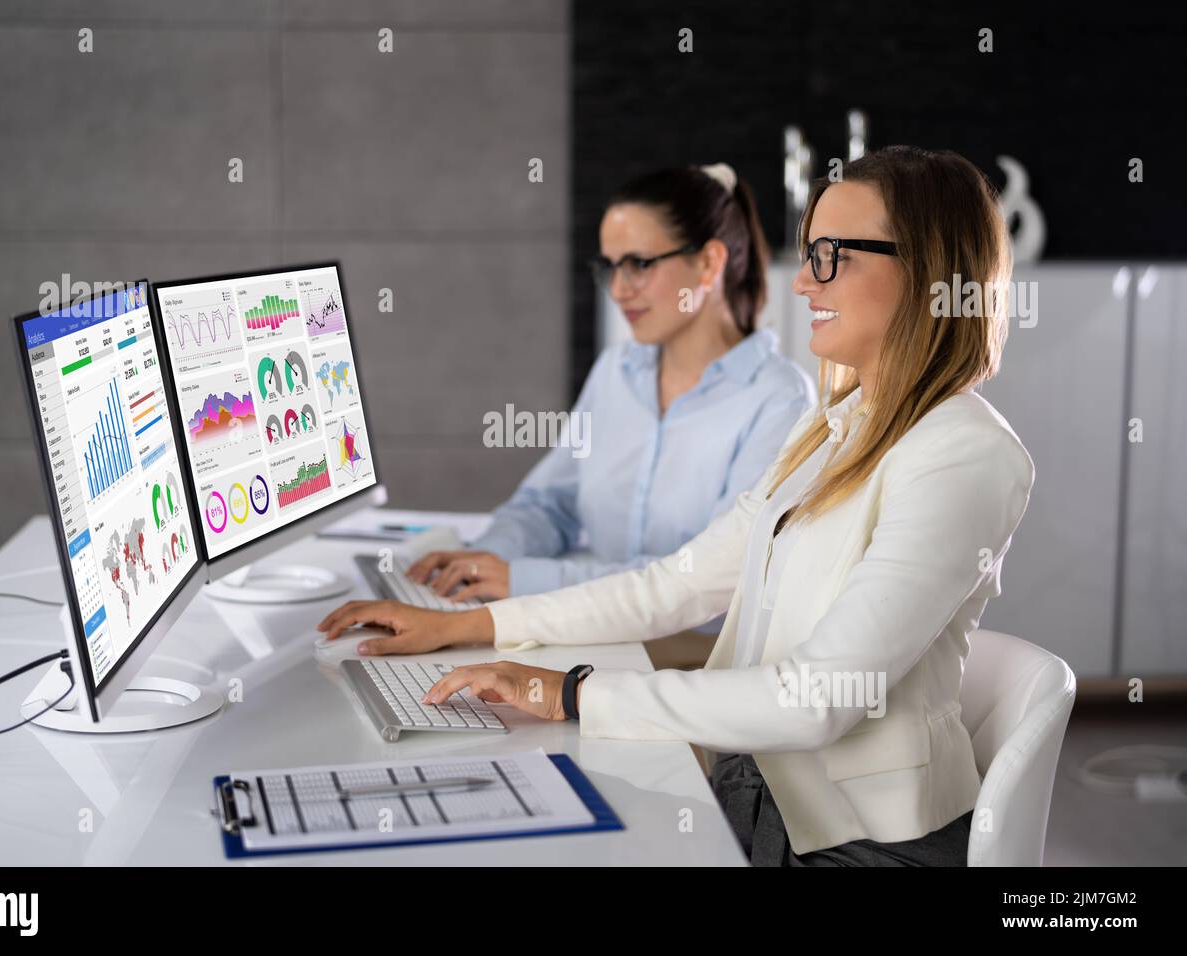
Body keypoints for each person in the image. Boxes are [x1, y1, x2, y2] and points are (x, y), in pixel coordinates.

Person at [320, 145, 1034, 866]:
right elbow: (679, 583)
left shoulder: (963, 454)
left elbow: (817, 699)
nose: (803, 284)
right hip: (758, 794)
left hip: (860, 844)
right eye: (808, 253)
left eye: (831, 256)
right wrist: (469, 624)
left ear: (927, 268)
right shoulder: (831, 426)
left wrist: (572, 694)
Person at [406, 163, 813, 605]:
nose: (618, 290)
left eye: (639, 264)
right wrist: (483, 561)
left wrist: (524, 580)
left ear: (709, 263)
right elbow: (549, 505)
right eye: (610, 266)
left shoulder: (779, 400)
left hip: (692, 655)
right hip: (589, 632)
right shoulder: (616, 372)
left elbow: (705, 578)